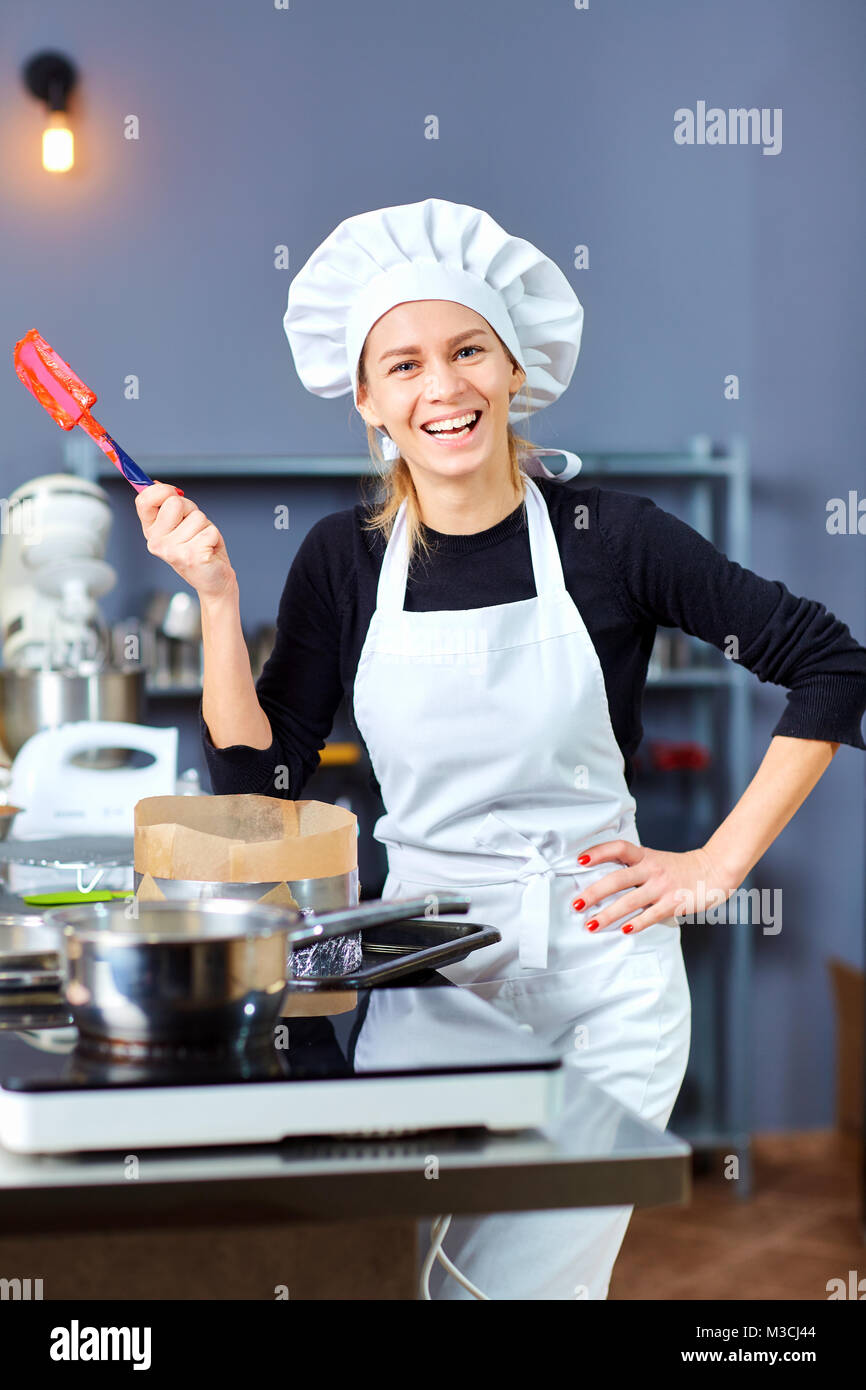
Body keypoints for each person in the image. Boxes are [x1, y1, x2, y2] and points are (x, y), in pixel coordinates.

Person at [135, 197, 866, 1300]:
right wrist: (218, 595)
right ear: (369, 400)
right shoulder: (343, 560)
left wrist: (715, 865)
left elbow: (831, 662)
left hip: (605, 983)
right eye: (406, 364)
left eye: (468, 349)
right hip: (430, 974)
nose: (444, 387)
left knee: (525, 1288)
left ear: (512, 367)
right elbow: (261, 778)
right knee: (392, 1269)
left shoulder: (611, 538)